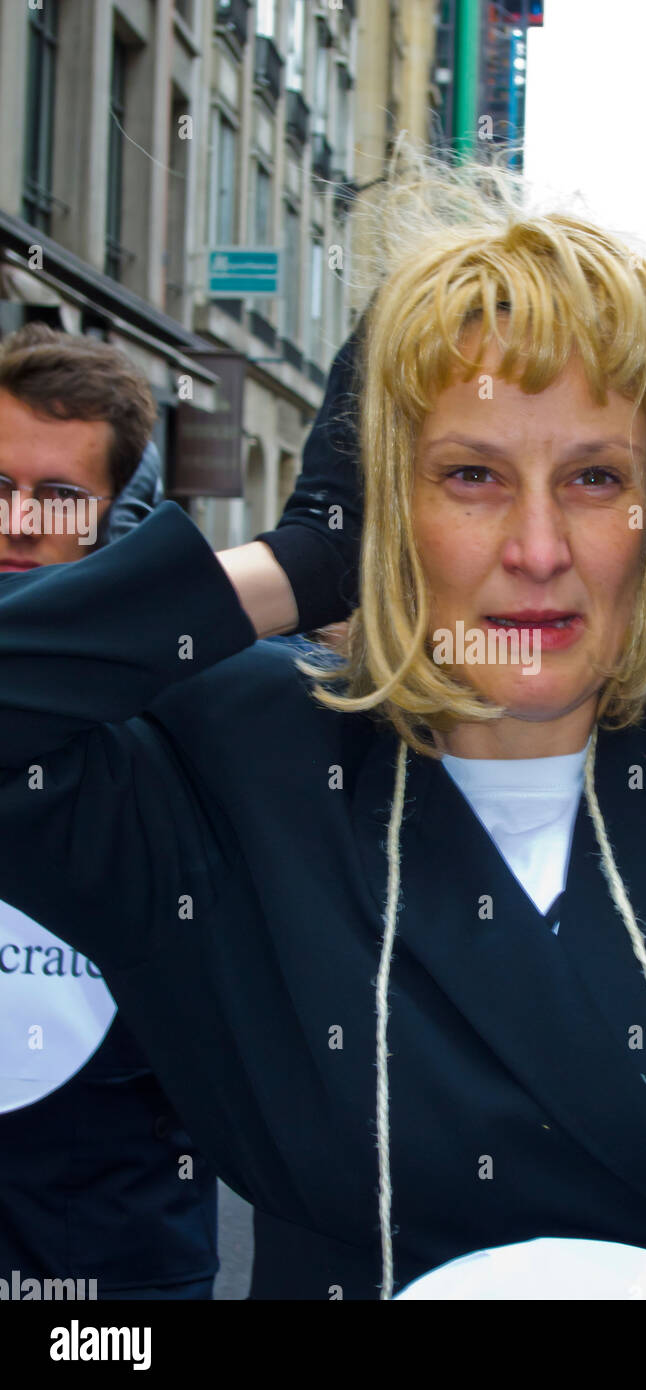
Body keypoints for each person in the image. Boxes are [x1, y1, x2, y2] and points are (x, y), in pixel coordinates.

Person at [0, 150, 646, 1301]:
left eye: (598, 478)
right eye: (470, 474)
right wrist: (294, 560)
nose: (540, 549)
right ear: (380, 505)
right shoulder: (223, 766)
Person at [0, 323, 219, 1300]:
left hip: (114, 1257)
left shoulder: (197, 716)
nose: (17, 520)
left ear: (115, 519)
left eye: (57, 495)